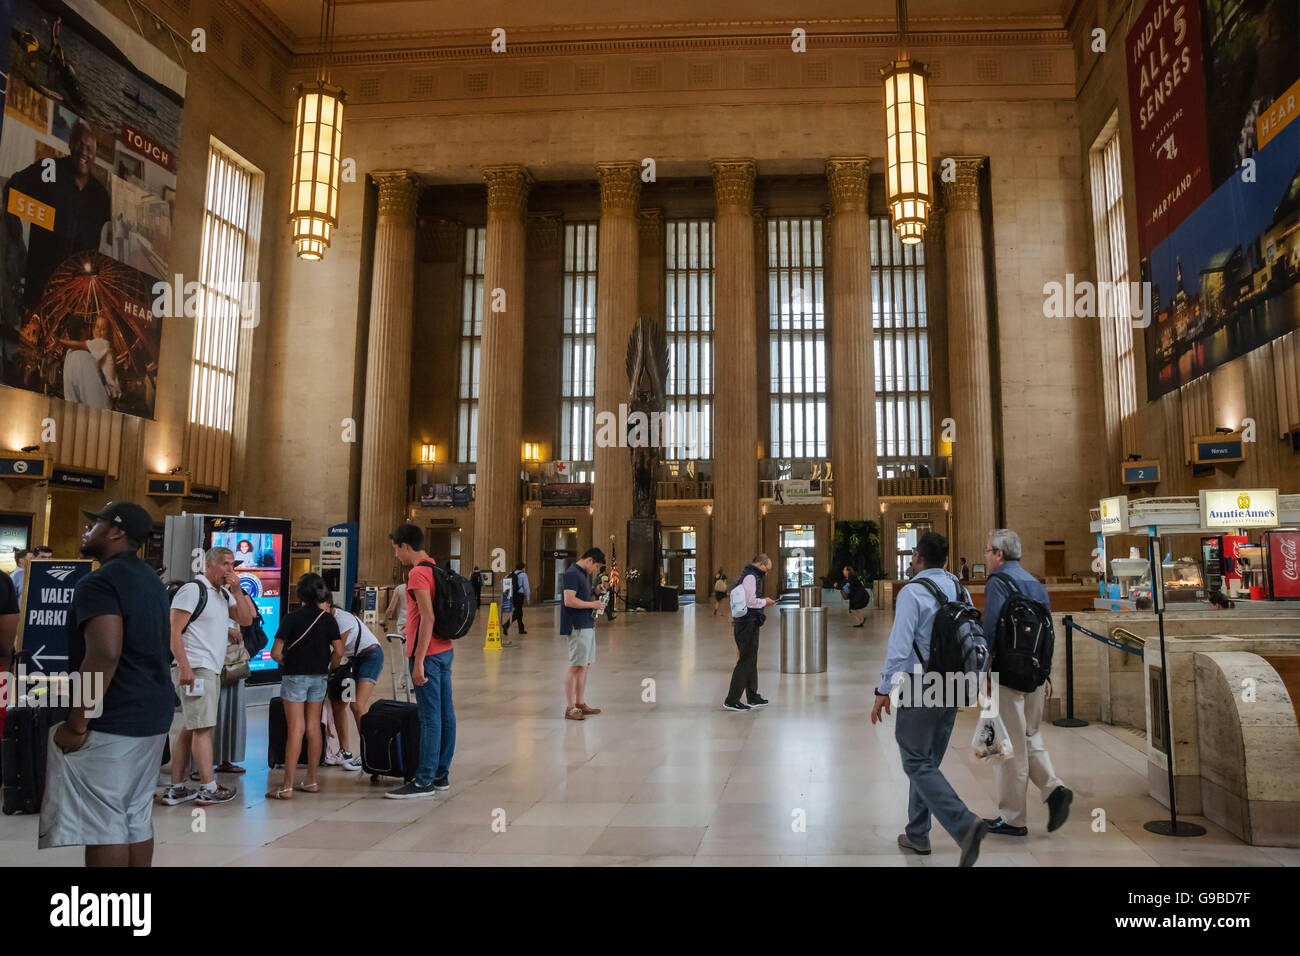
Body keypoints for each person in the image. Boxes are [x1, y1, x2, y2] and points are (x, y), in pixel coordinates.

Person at [39, 502, 171, 866]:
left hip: (114, 717)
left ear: (116, 531)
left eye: (95, 523)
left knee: (103, 822)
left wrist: (77, 723)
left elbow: (105, 654)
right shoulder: (151, 580)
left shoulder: (99, 582)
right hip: (153, 714)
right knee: (136, 815)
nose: (87, 530)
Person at [871, 531, 986, 867]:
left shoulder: (913, 592)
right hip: (953, 682)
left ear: (919, 557)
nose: (911, 561)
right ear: (947, 560)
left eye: (913, 555)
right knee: (928, 760)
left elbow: (899, 646)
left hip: (922, 683)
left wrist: (883, 690)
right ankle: (918, 833)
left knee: (914, 760)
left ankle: (964, 825)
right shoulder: (959, 587)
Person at [981, 529, 1072, 837]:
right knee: (1030, 736)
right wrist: (1046, 674)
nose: (985, 555)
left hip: (1006, 674)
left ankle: (1013, 818)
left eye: (988, 550)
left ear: (999, 555)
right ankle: (1054, 789)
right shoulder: (1035, 583)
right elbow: (1047, 632)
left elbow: (990, 629)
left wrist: (983, 673)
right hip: (1034, 674)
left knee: (1006, 747)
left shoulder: (997, 583)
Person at [161, 546, 255, 806]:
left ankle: (177, 787)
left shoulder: (223, 593)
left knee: (191, 729)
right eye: (225, 564)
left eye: (232, 565)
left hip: (209, 668)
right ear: (209, 565)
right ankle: (208, 787)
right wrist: (184, 666)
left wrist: (236, 590)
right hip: (197, 667)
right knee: (203, 728)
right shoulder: (193, 590)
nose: (229, 569)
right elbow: (174, 631)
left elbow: (246, 620)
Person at [3, 121, 111, 308]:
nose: (84, 151)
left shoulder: (101, 196)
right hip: (39, 279)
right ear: (70, 142)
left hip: (74, 291)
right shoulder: (49, 169)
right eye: (79, 144)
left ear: (95, 153)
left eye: (89, 148)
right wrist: (15, 239)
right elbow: (12, 187)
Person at [385, 524, 455, 798]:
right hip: (445, 649)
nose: (396, 556)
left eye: (396, 549)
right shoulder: (435, 568)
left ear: (404, 546)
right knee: (445, 714)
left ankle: (424, 780)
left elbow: (429, 617)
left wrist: (419, 661)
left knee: (429, 718)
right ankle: (440, 774)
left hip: (429, 653)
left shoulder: (417, 573)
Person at [266, 573, 343, 799]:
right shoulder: (328, 619)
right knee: (313, 727)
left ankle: (287, 786)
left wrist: (287, 661)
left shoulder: (292, 618)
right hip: (319, 677)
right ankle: (311, 780)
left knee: (295, 730)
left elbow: (275, 653)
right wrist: (329, 666)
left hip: (294, 677)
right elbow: (339, 651)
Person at [324, 591, 383, 771]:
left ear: (328, 604)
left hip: (371, 656)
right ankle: (345, 751)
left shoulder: (342, 619)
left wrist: (329, 672)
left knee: (357, 706)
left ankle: (370, 754)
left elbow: (338, 651)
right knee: (339, 704)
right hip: (353, 662)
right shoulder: (324, 620)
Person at [723, 554, 775, 712]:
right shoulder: (751, 577)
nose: (767, 573)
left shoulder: (748, 574)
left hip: (747, 622)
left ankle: (752, 696)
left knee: (751, 659)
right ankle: (731, 700)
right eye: (767, 569)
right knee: (745, 660)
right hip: (747, 624)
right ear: (760, 564)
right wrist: (765, 601)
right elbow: (750, 601)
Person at [561, 548, 606, 721]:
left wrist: (596, 592)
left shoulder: (582, 575)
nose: (595, 569)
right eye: (595, 566)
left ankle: (580, 703)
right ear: (589, 560)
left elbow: (583, 596)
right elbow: (569, 600)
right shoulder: (572, 574)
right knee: (576, 666)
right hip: (577, 626)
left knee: (584, 665)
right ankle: (570, 707)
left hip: (587, 624)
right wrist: (592, 605)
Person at [504, 562, 529, 636]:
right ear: (522, 568)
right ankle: (506, 625)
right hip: (520, 595)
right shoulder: (523, 575)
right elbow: (526, 586)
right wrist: (528, 597)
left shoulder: (511, 574)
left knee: (519, 611)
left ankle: (521, 629)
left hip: (512, 595)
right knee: (517, 612)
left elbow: (503, 581)